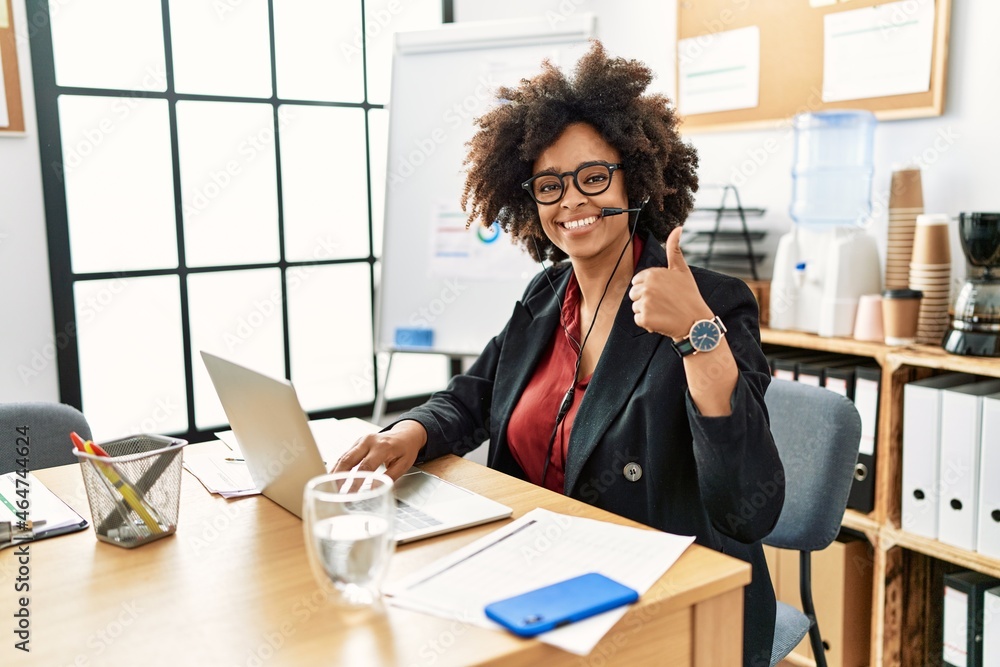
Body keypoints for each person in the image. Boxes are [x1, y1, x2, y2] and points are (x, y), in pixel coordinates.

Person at [335, 41, 783, 667]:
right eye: (550, 184)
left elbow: (747, 504)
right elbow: (476, 396)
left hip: (665, 602)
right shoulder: (547, 296)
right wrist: (409, 432)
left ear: (637, 178)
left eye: (594, 176)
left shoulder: (714, 303)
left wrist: (695, 335)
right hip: (536, 574)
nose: (572, 200)